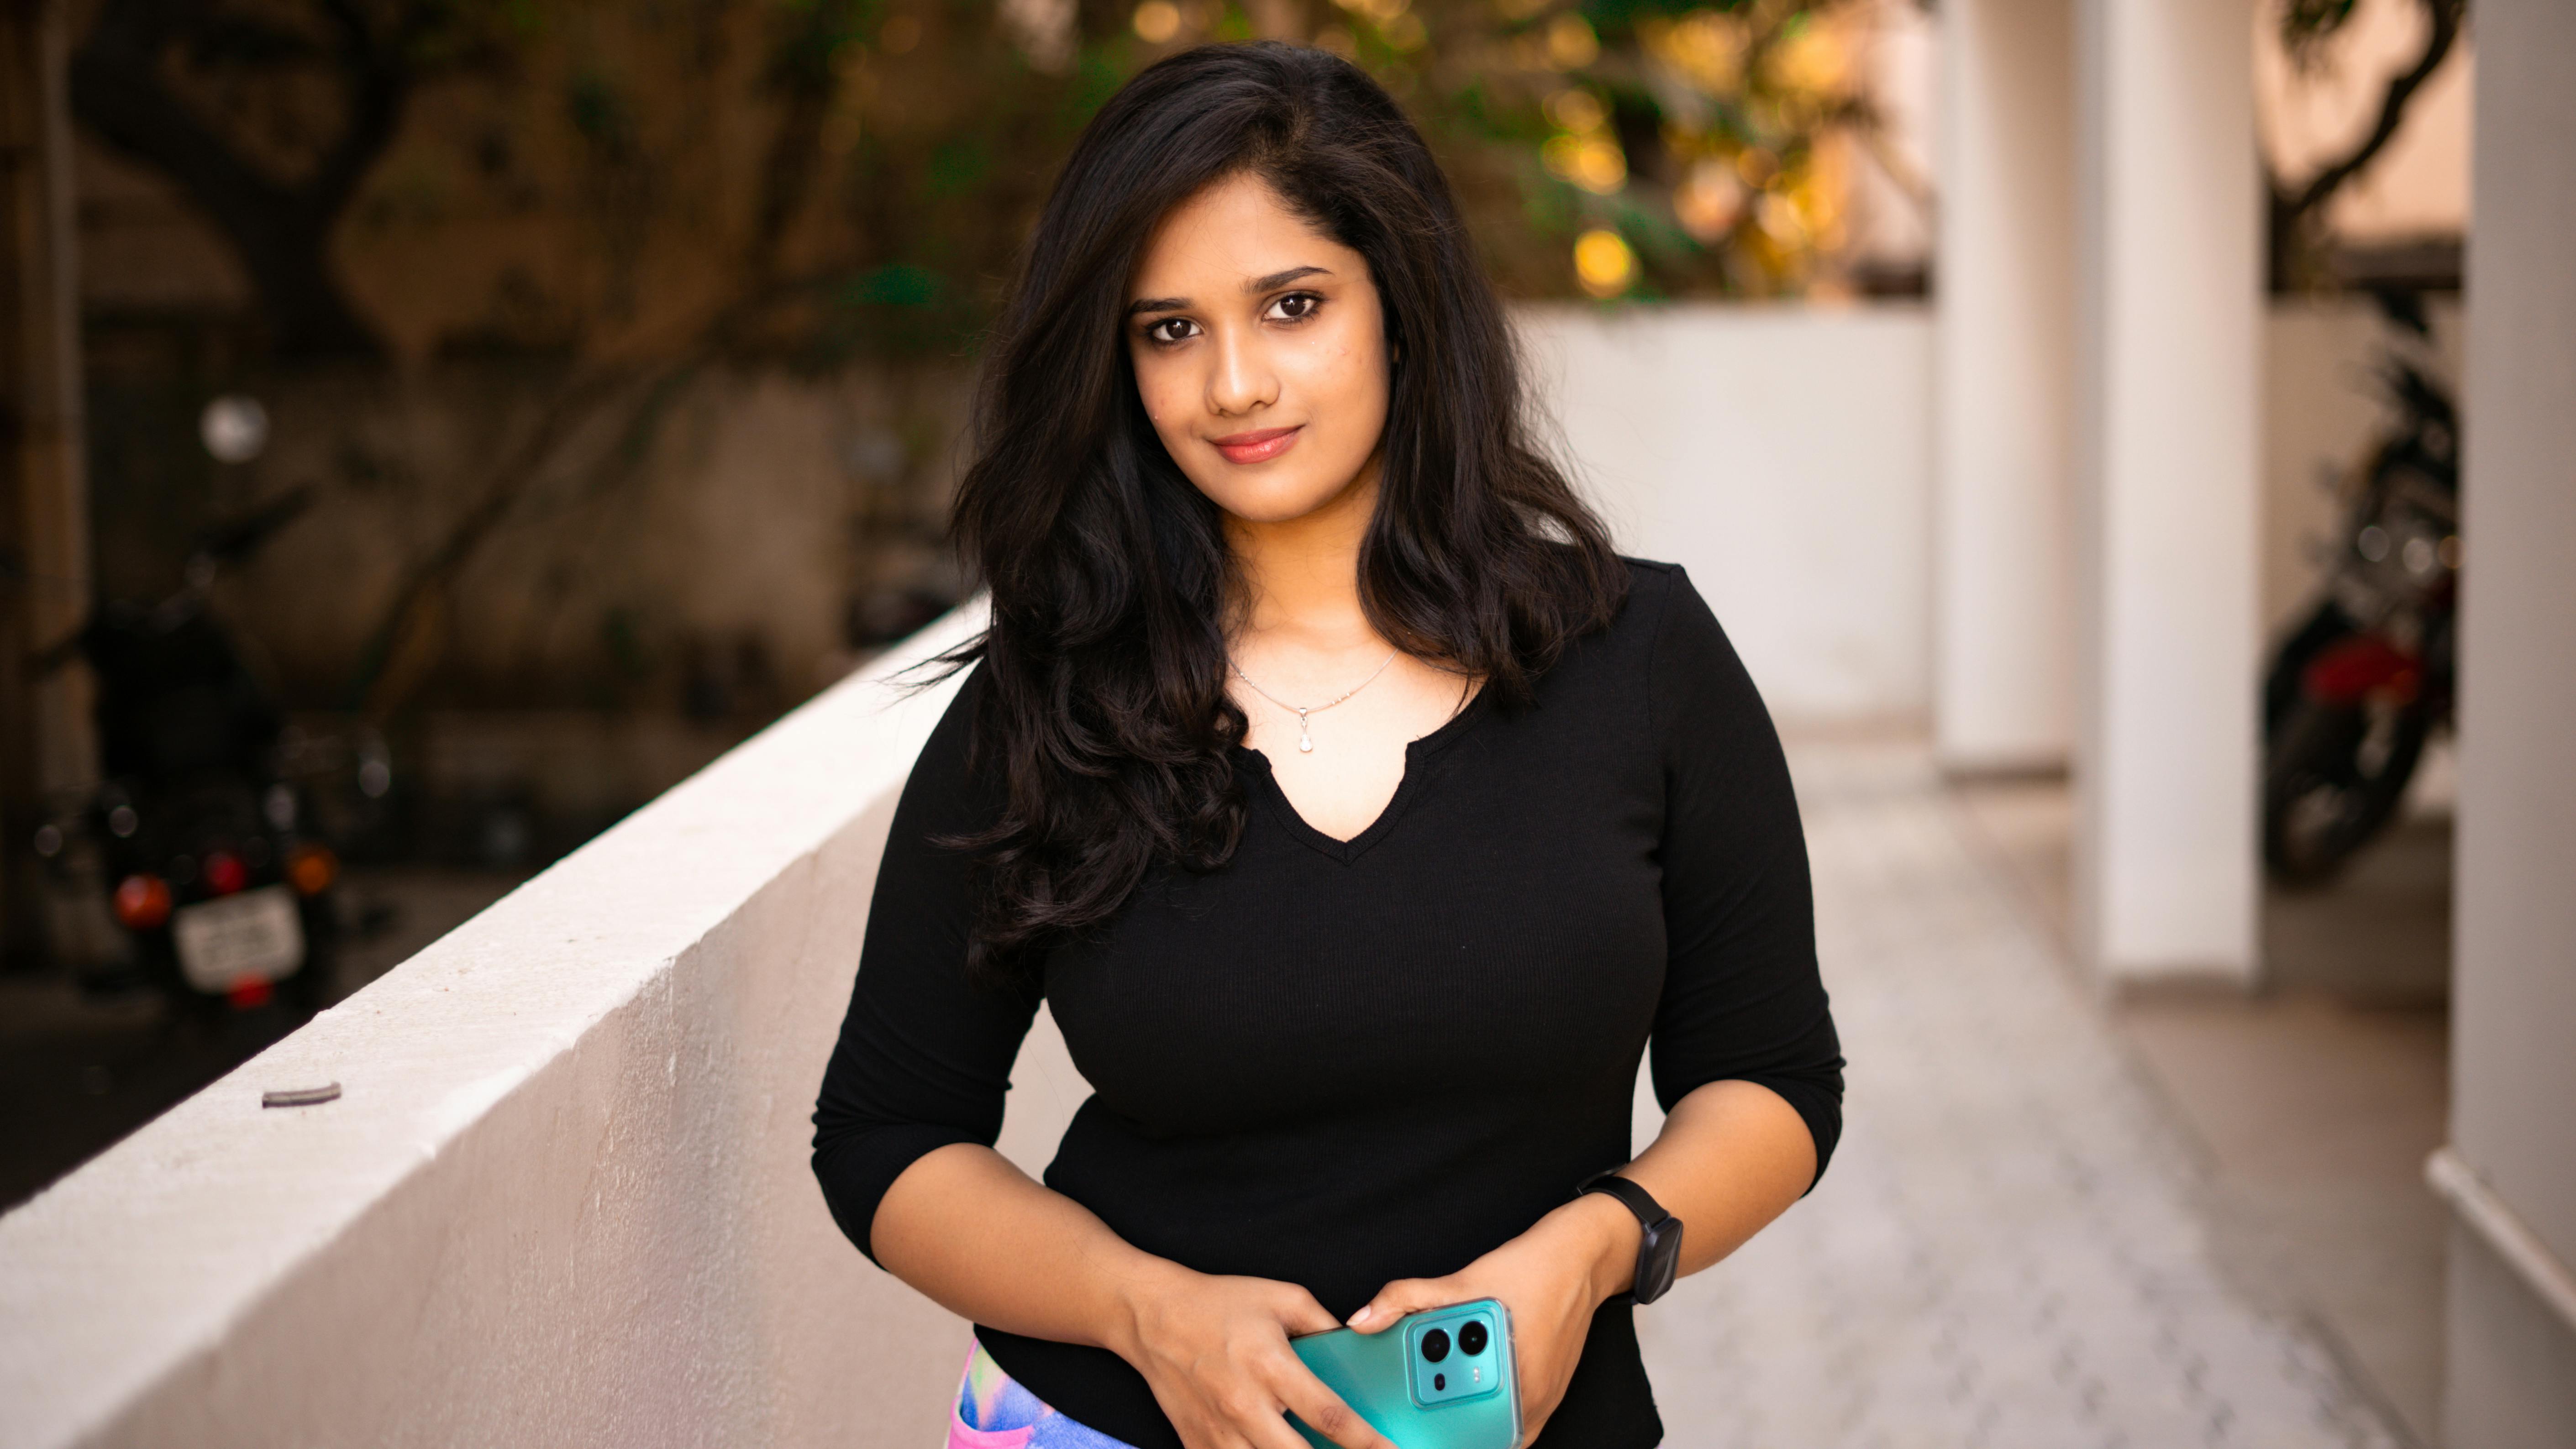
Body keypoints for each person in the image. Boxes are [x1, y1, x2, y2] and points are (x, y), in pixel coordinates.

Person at [812, 41, 1842, 1449]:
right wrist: (1144, 1313)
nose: (1233, 383)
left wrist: (1594, 1251)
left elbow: (1771, 1080)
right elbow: (886, 1136)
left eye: (1291, 306)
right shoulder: (1047, 700)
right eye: (1167, 329)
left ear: (1399, 312)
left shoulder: (1637, 657)